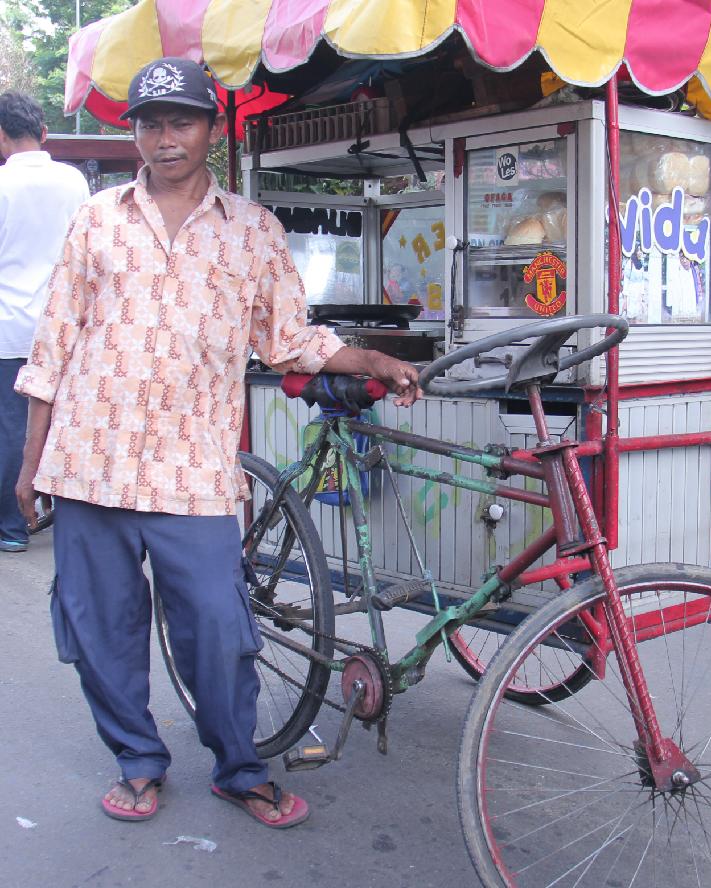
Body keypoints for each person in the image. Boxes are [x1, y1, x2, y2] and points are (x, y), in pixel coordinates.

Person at [14, 58, 421, 828]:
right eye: (149, 123)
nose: (164, 139)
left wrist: (369, 358)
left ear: (211, 130)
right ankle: (138, 760)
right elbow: (52, 350)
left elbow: (290, 340)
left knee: (219, 629)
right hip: (88, 464)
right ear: (133, 130)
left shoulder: (253, 233)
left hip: (193, 471)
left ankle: (238, 767)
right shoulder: (95, 221)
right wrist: (29, 465)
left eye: (181, 122)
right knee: (100, 629)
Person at [0, 93, 89, 553]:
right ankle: (67, 518)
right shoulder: (74, 181)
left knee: (12, 429)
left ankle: (13, 529)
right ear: (44, 133)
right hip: (67, 328)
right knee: (64, 422)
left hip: (10, 328)